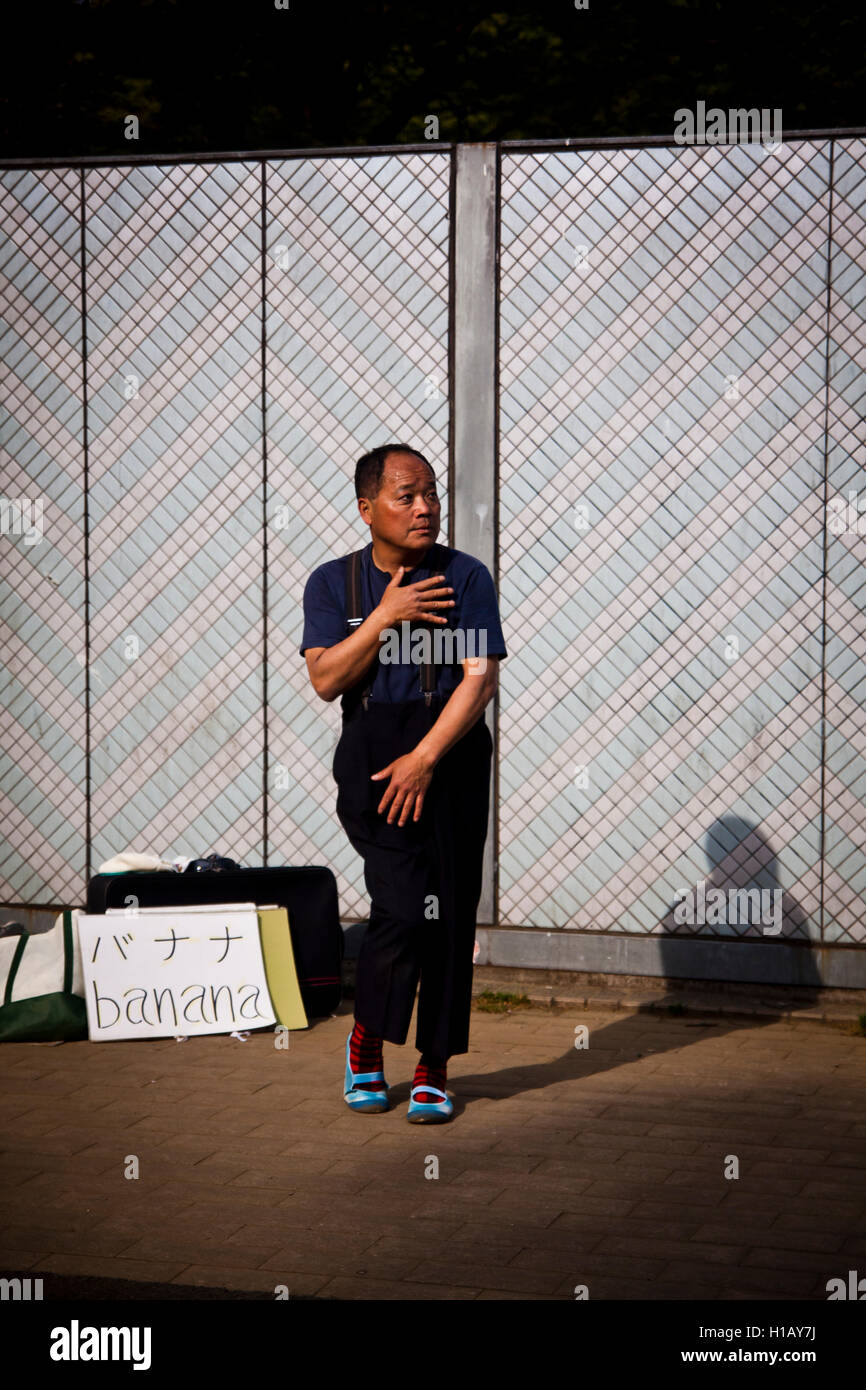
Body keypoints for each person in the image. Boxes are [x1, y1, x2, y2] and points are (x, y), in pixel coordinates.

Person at [299, 444, 507, 1123]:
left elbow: (479, 678)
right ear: (367, 509)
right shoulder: (335, 585)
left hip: (448, 757)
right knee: (398, 905)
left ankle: (433, 1066)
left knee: (445, 914)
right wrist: (386, 617)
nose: (425, 508)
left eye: (431, 494)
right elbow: (326, 680)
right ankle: (366, 1043)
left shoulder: (466, 577)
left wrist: (427, 756)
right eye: (407, 495)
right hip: (374, 759)